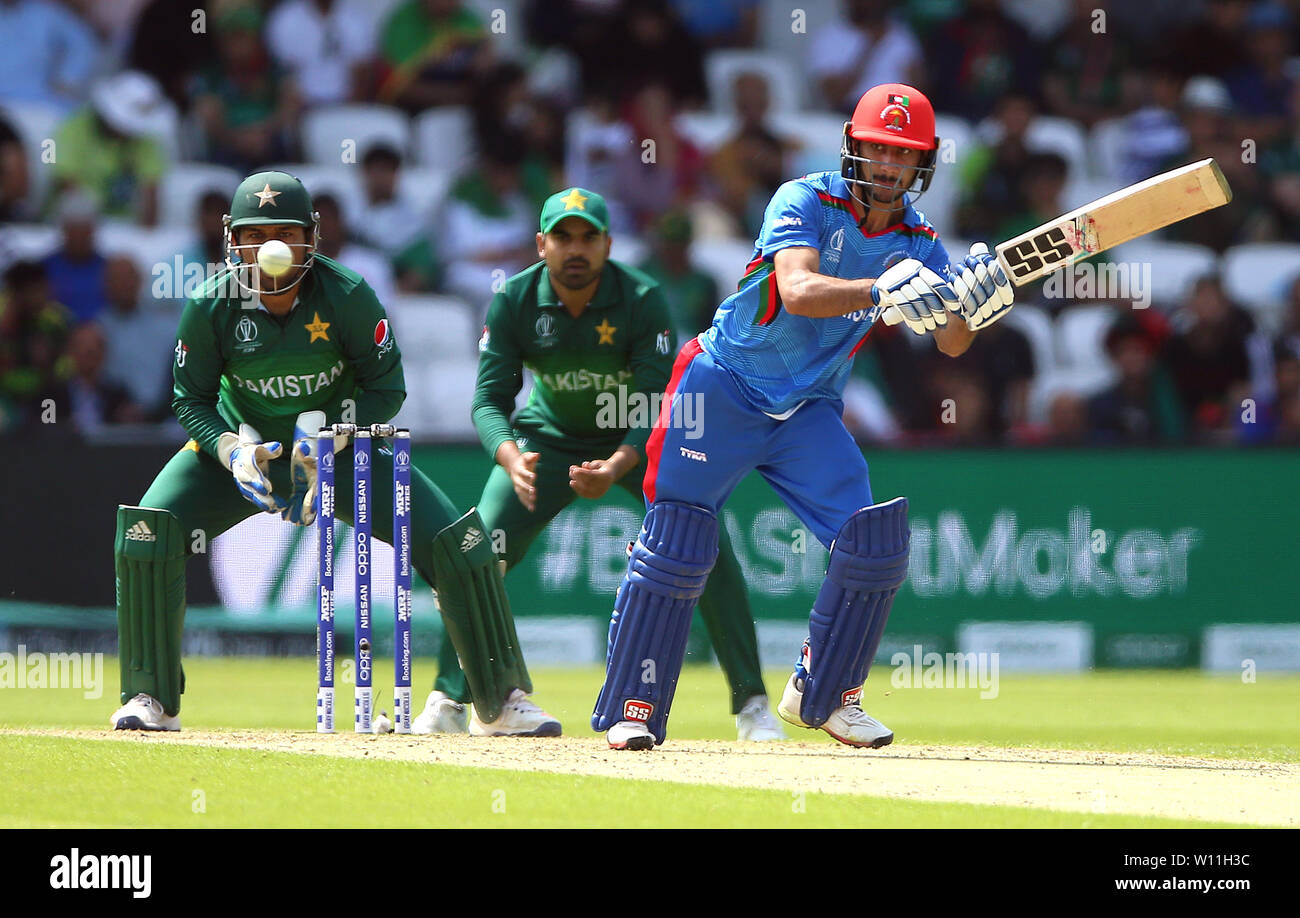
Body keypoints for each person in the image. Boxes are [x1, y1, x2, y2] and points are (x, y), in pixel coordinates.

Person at [591, 83, 1016, 750]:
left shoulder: (921, 241)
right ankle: (634, 708)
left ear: (922, 165)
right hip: (721, 386)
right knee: (676, 542)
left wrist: (978, 306)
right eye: (876, 149)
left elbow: (951, 341)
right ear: (853, 148)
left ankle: (826, 692)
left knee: (872, 544)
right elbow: (796, 290)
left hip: (807, 407)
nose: (885, 165)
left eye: (900, 155)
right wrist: (879, 287)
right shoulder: (805, 199)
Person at [108, 171, 559, 736]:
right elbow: (189, 397)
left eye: (285, 233)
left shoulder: (347, 295)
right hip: (244, 456)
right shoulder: (209, 304)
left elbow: (388, 389)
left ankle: (502, 700)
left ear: (310, 238)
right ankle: (150, 696)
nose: (270, 247)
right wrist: (228, 448)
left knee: (461, 545)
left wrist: (335, 433)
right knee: (150, 531)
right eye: (255, 234)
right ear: (233, 239)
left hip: (340, 455)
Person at [412, 188, 782, 741]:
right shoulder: (514, 299)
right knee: (478, 550)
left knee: (706, 544)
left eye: (589, 237)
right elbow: (489, 401)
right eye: (563, 237)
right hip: (547, 439)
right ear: (541, 244)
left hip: (637, 439)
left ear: (609, 244)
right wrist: (511, 458)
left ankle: (752, 704)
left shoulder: (641, 298)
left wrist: (615, 465)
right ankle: (451, 699)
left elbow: (658, 398)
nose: (575, 249)